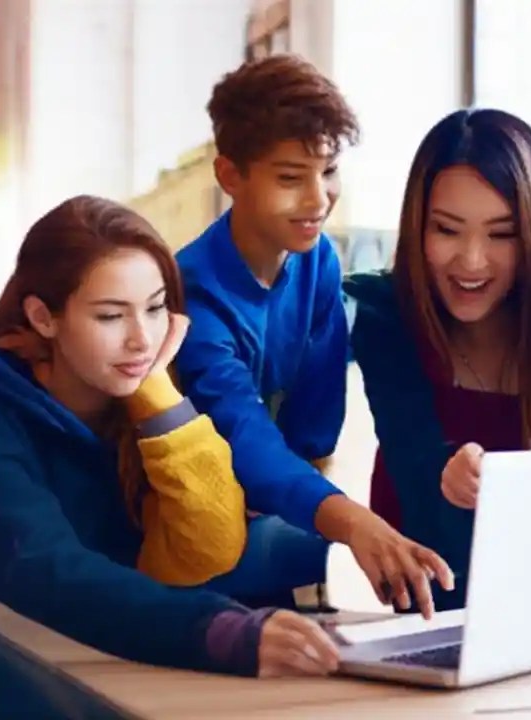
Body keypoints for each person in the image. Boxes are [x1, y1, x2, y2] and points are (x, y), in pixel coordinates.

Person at [0, 194, 341, 679]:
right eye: (111, 316)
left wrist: (157, 394)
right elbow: (46, 566)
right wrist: (218, 632)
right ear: (43, 317)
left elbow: (210, 549)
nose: (142, 339)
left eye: (156, 309)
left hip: (126, 653)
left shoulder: (141, 389)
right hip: (25, 662)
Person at [174, 53, 454, 617]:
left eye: (327, 172)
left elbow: (317, 418)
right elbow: (241, 434)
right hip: (194, 522)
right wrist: (346, 521)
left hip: (280, 504)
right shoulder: (193, 292)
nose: (317, 199)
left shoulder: (317, 259)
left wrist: (303, 498)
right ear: (230, 175)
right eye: (289, 177)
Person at [345, 108, 531, 613]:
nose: (472, 261)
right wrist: (448, 474)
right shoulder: (385, 312)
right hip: (426, 612)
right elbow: (413, 457)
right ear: (418, 225)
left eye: (502, 234)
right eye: (447, 230)